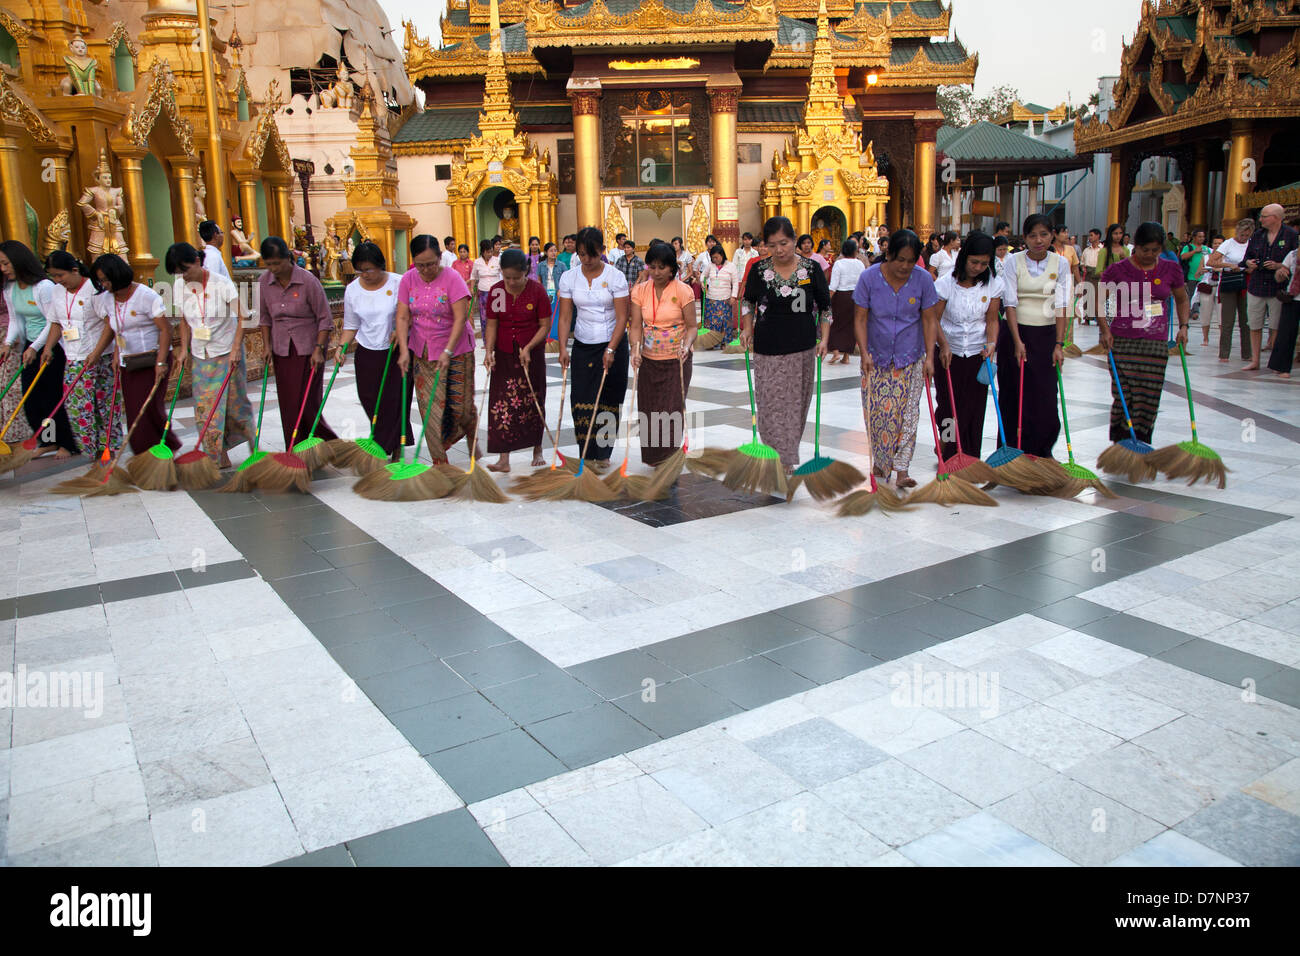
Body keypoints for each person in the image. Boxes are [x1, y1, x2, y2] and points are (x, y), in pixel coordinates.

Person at [740, 216, 832, 475]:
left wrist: (824, 339)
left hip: (801, 347)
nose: (779, 250)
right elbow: (748, 302)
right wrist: (747, 328)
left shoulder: (812, 270)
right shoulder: (759, 270)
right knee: (769, 404)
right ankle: (774, 453)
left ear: (794, 240)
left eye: (784, 243)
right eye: (772, 245)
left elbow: (825, 307)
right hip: (767, 347)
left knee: (795, 404)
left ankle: (787, 458)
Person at [853, 229, 939, 488]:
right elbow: (860, 318)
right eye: (900, 259)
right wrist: (864, 352)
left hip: (910, 356)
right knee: (878, 413)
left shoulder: (923, 280)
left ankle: (902, 469)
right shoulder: (869, 278)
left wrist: (930, 357)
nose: (905, 266)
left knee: (908, 414)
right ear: (888, 255)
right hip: (875, 357)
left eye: (911, 261)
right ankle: (881, 462)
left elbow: (928, 319)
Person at [1097, 221, 1189, 443]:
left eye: (1155, 250)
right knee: (1123, 394)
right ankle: (1121, 442)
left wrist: (1184, 326)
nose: (1149, 255)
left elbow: (1182, 298)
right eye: (1144, 250)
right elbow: (1099, 301)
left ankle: (1142, 441)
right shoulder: (1118, 270)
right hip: (1122, 341)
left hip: (1154, 343)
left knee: (1149, 395)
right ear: (1135, 246)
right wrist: (1104, 329)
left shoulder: (1171, 269)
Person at [164, 242, 254, 467]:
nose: (182, 276)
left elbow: (244, 316)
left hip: (227, 351)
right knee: (206, 407)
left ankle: (254, 447)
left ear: (196, 261)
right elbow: (184, 321)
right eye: (177, 272)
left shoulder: (221, 284)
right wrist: (184, 349)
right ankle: (216, 455)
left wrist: (235, 350)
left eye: (185, 270)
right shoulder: (178, 286)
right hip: (201, 354)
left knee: (234, 404)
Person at [83, 253, 178, 454]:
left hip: (152, 359)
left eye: (106, 279)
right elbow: (115, 327)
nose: (104, 284)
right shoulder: (107, 299)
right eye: (100, 281)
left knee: (150, 408)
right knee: (135, 411)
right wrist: (110, 353)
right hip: (130, 362)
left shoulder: (146, 295)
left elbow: (166, 329)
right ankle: (144, 454)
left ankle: (164, 447)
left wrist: (161, 362)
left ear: (118, 274)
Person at [395, 235, 476, 463]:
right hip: (423, 352)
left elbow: (461, 318)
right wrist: (403, 351)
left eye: (431, 264)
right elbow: (402, 317)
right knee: (429, 410)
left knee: (461, 409)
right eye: (421, 265)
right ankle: (441, 465)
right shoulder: (408, 279)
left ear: (440, 258)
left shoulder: (453, 278)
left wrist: (448, 351)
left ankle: (470, 433)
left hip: (457, 350)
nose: (427, 269)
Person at [557, 227, 629, 467]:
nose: (587, 260)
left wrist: (611, 349)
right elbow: (566, 317)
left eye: (592, 254)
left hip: (613, 343)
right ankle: (586, 453)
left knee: (607, 399)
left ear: (602, 251)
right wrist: (563, 348)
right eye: (582, 255)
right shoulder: (569, 277)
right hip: (583, 344)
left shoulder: (615, 276)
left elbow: (622, 317)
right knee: (582, 400)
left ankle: (604, 454)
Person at [998, 214, 1068, 459]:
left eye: (1044, 234)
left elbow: (1061, 306)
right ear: (1024, 237)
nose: (1038, 240)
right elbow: (1010, 303)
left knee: (1045, 396)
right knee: (1012, 394)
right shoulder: (1012, 261)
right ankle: (1011, 453)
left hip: (1047, 336)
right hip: (1015, 333)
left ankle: (1042, 452)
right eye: (1032, 235)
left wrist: (1059, 344)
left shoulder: (1060, 264)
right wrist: (1018, 341)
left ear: (1052, 236)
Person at [257, 236, 338, 450]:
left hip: (308, 349)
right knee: (289, 403)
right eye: (269, 264)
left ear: (288, 258)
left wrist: (319, 349)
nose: (273, 268)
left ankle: (324, 446)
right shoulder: (264, 282)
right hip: (281, 349)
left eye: (277, 263)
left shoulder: (308, 281)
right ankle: (294, 449)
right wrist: (266, 346)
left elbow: (325, 319)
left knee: (307, 403)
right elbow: (264, 317)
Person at [0, 241, 77, 458]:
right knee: (32, 398)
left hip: (53, 347)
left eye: (6, 263)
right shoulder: (10, 288)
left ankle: (67, 442)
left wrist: (37, 347)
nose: (3, 269)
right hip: (31, 347)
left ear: (18, 260)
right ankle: (47, 440)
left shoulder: (43, 287)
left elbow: (52, 321)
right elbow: (16, 319)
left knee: (53, 396)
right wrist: (8, 342)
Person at [41, 251, 120, 459]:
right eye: (53, 277)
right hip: (73, 357)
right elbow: (56, 322)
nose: (58, 281)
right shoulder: (57, 292)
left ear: (74, 270)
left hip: (99, 357)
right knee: (78, 407)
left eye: (60, 275)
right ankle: (90, 449)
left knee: (103, 404)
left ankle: (107, 448)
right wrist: (48, 347)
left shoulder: (94, 289)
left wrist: (97, 352)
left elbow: (109, 324)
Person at [933, 232, 1002, 462]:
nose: (978, 267)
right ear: (963, 258)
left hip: (976, 353)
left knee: (973, 409)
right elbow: (934, 319)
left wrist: (991, 343)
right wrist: (943, 345)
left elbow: (992, 319)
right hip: (947, 353)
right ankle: (949, 449)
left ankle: (970, 457)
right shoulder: (945, 284)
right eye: (974, 262)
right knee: (947, 408)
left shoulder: (991, 284)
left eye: (984, 263)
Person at [338, 241, 410, 459]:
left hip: (395, 350)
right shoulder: (352, 290)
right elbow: (351, 324)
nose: (365, 274)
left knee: (394, 400)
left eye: (369, 269)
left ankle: (395, 446)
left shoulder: (399, 282)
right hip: (367, 352)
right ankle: (380, 441)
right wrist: (341, 348)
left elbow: (409, 312)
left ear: (381, 265)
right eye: (360, 270)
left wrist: (400, 329)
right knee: (369, 398)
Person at [630, 242, 697, 466]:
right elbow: (636, 326)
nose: (656, 272)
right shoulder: (640, 290)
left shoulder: (683, 290)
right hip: (649, 360)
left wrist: (686, 345)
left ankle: (668, 459)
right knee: (650, 409)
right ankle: (653, 459)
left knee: (671, 410)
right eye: (652, 267)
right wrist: (635, 350)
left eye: (662, 267)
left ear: (671, 268)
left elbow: (692, 327)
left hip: (676, 360)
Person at [483, 248, 550, 471]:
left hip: (531, 354)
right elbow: (492, 324)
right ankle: (504, 459)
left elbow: (544, 326)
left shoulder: (537, 291)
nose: (510, 282)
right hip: (504, 353)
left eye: (516, 277)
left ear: (526, 272)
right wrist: (489, 351)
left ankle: (537, 449)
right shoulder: (496, 292)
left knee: (533, 400)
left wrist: (529, 347)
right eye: (506, 277)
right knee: (502, 403)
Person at [1242, 203, 1299, 367]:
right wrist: (1249, 263)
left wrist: (1279, 266)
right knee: (1254, 323)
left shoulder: (1291, 235)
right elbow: (1246, 257)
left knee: (1276, 325)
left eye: (1264, 216)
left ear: (1276, 218)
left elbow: (1295, 261)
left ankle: (1275, 360)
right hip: (1257, 285)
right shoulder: (1258, 235)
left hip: (1278, 288)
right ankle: (1255, 360)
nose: (1261, 219)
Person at [1207, 218, 1255, 363]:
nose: (1244, 238)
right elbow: (1211, 261)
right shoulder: (1228, 243)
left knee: (1246, 320)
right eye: (1242, 234)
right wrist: (1229, 264)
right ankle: (1224, 354)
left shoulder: (1252, 244)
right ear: (1237, 231)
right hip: (1229, 281)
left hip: (1245, 282)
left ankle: (1247, 353)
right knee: (1228, 320)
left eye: (1247, 235)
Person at [827, 238, 865, 364]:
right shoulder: (860, 264)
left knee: (836, 324)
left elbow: (834, 285)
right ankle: (846, 356)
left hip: (841, 296)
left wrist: (827, 298)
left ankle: (836, 352)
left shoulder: (839, 263)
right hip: (856, 296)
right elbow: (862, 282)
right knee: (850, 326)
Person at [1269, 246, 1299, 378]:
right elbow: (1279, 277)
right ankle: (1281, 366)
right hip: (1293, 297)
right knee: (1286, 333)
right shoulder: (1293, 254)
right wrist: (1280, 273)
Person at [700, 245, 738, 344]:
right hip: (711, 298)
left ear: (722, 255)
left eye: (716, 257)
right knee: (711, 322)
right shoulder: (710, 266)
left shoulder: (731, 266)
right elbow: (703, 275)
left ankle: (724, 342)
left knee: (725, 322)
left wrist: (733, 296)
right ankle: (711, 342)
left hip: (725, 298)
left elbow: (735, 283)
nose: (715, 260)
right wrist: (702, 282)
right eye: (713, 258)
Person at [469, 238, 501, 337]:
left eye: (491, 251)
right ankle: (486, 339)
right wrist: (472, 288)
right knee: (484, 317)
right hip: (483, 292)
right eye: (488, 252)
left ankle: (497, 338)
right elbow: (473, 276)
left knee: (497, 316)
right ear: (483, 252)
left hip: (497, 292)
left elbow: (504, 274)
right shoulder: (477, 262)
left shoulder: (497, 261)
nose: (490, 254)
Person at [1196, 235, 1223, 348]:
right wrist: (1202, 271)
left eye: (1220, 243)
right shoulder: (1206, 257)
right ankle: (1205, 338)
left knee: (1222, 314)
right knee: (1205, 313)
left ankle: (1223, 338)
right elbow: (1196, 274)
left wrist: (1218, 269)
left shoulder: (1226, 258)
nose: (1217, 245)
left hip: (1221, 287)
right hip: (1207, 287)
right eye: (1215, 243)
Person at [1080, 229, 1102, 324]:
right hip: (1088, 274)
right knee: (1087, 295)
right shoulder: (1086, 250)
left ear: (1098, 236)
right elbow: (1082, 263)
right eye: (1089, 235)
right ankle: (1087, 319)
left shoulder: (1103, 250)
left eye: (1091, 235)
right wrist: (1083, 268)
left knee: (1099, 297)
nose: (1089, 237)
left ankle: (1099, 320)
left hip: (1100, 275)